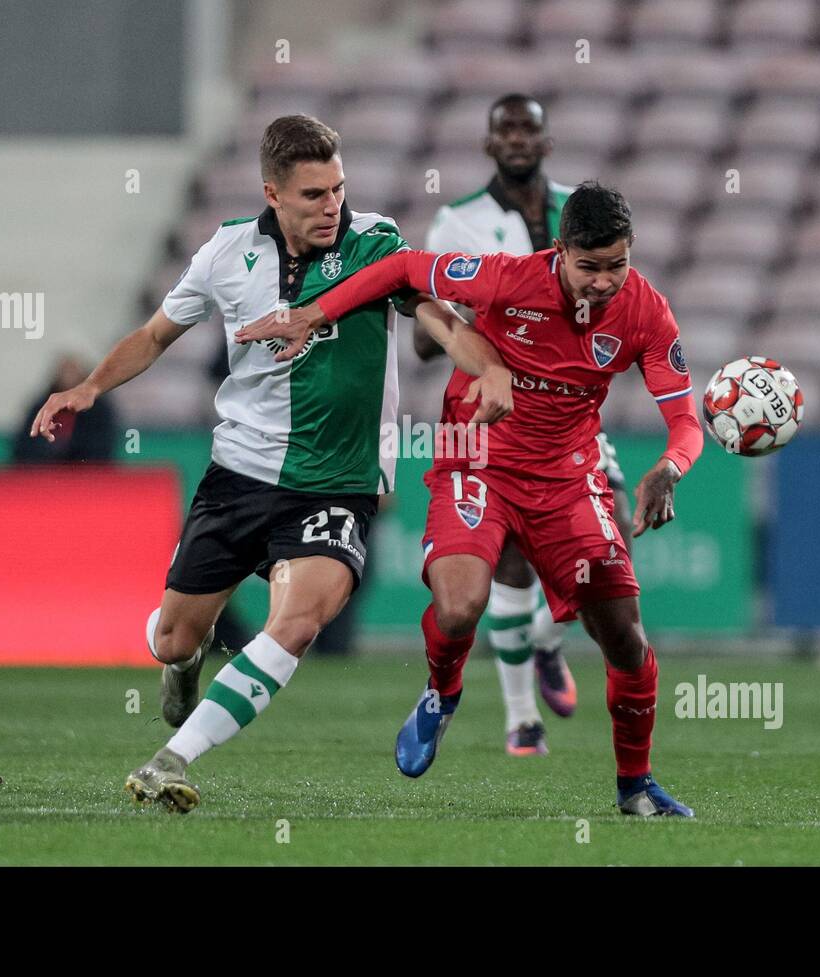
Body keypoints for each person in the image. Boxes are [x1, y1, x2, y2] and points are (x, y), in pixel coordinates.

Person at [29, 115, 514, 813]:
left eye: (338, 189)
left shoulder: (375, 245)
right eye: (314, 193)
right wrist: (90, 386)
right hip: (239, 476)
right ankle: (185, 662)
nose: (332, 206)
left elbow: (439, 321)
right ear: (273, 193)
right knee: (171, 636)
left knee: (295, 623)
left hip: (336, 485)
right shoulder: (227, 252)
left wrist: (489, 369)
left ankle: (172, 759)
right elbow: (156, 333)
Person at [238, 182, 702, 816]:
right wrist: (312, 315)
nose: (601, 282)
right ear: (559, 250)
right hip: (475, 459)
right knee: (460, 607)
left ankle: (635, 786)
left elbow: (686, 422)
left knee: (624, 637)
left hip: (568, 478)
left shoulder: (648, 312)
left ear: (632, 253)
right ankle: (442, 690)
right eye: (588, 267)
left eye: (615, 265)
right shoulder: (508, 278)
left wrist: (669, 469)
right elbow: (402, 267)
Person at [418, 93, 636, 757]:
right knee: (506, 557)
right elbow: (427, 330)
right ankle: (522, 721)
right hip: (489, 409)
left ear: (547, 141)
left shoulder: (583, 213)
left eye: (528, 128)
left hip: (565, 410)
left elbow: (619, 297)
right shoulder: (457, 222)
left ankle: (546, 639)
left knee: (616, 530)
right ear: (488, 143)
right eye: (504, 128)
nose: (515, 138)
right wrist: (459, 313)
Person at [11, 354, 119, 464]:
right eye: (65, 373)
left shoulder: (97, 410)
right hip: (44, 471)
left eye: (72, 373)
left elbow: (100, 448)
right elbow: (26, 444)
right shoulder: (41, 407)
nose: (68, 378)